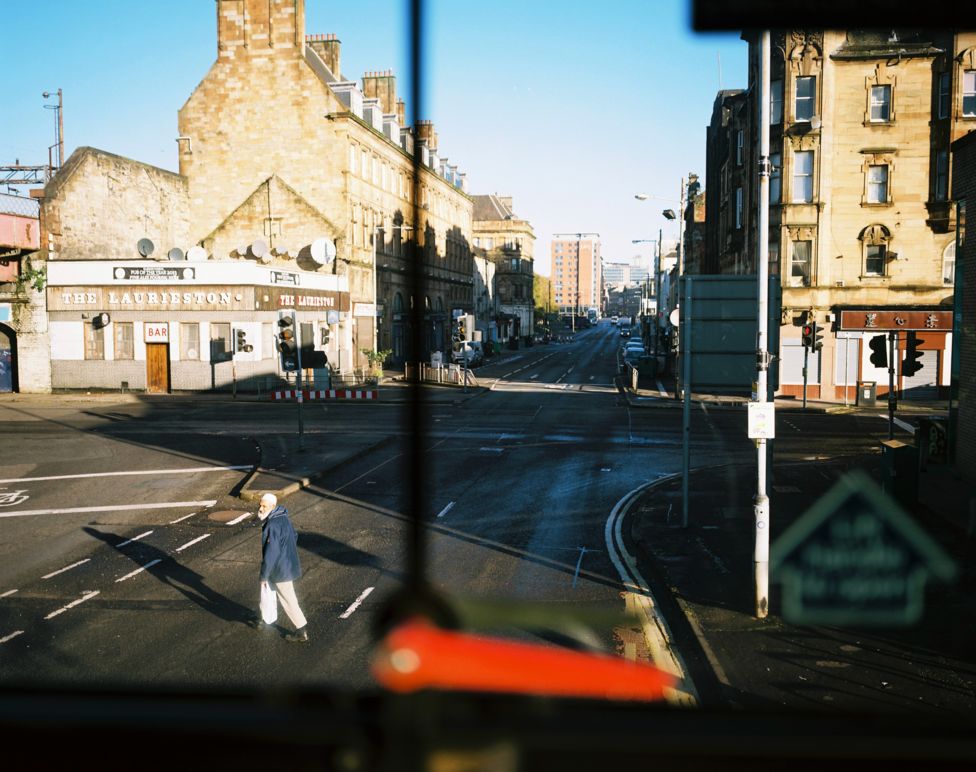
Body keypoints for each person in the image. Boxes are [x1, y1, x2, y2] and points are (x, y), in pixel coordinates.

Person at [253, 493, 309, 642]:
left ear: (272, 506)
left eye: (264, 506)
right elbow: (294, 535)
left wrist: (263, 575)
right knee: (268, 594)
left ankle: (301, 630)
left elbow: (271, 553)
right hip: (285, 564)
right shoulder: (283, 518)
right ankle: (263, 619)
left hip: (278, 569)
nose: (260, 508)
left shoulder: (272, 525)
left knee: (288, 599)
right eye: (260, 504)